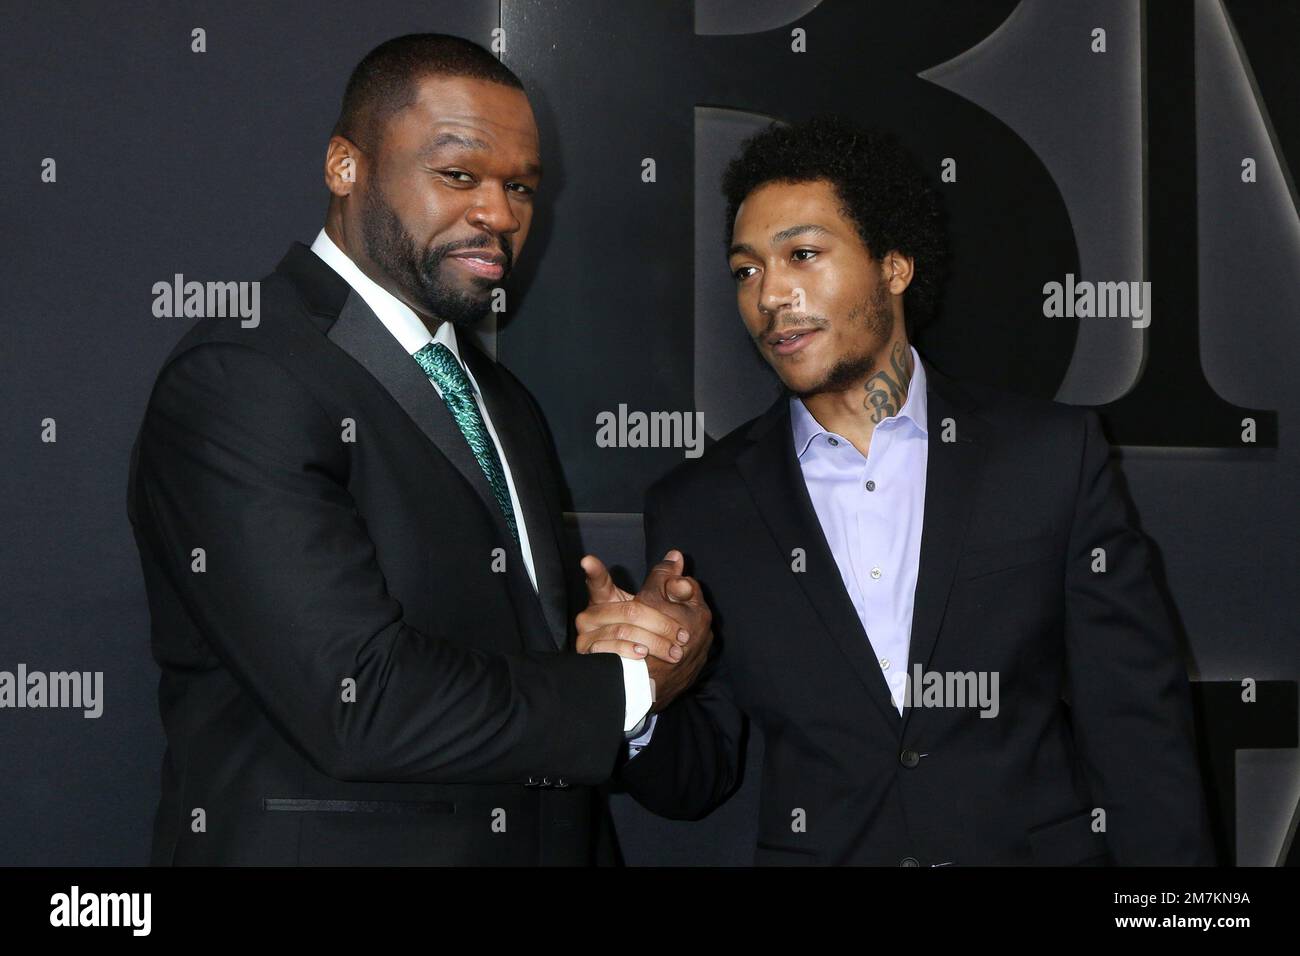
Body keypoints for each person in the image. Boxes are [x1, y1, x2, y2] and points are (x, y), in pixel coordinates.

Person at [127, 33, 710, 866]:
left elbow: (508, 668)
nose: (499, 214)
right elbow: (356, 701)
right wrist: (626, 686)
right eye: (458, 174)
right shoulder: (243, 373)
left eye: (520, 186)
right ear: (344, 166)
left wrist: (621, 646)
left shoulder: (498, 398)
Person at [616, 116, 1215, 866]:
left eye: (803, 254)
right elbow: (695, 779)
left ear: (894, 267)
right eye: (746, 270)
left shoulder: (1049, 458)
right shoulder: (700, 504)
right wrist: (639, 694)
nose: (771, 295)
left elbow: (1137, 728)